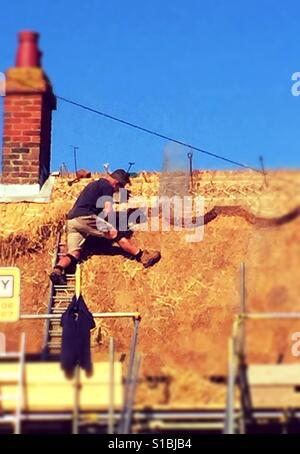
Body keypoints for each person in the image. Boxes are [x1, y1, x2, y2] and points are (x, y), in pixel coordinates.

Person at [50, 169, 161, 285]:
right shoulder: (107, 186)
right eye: (120, 187)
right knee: (114, 233)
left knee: (74, 253)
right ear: (116, 183)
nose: (118, 190)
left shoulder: (95, 185)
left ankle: (57, 270)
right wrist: (114, 227)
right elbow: (108, 210)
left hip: (72, 221)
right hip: (84, 217)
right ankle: (142, 256)